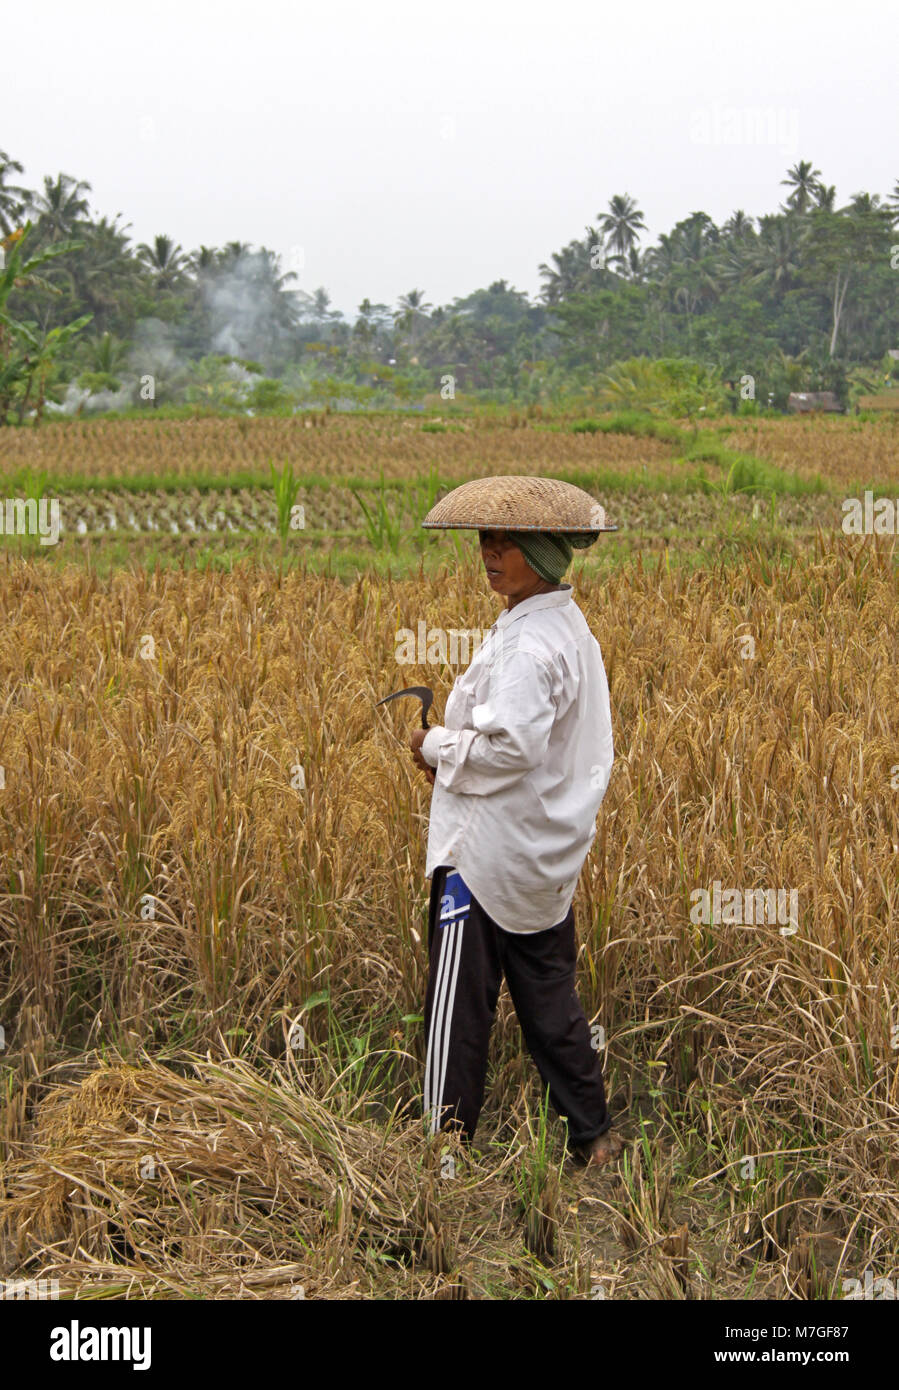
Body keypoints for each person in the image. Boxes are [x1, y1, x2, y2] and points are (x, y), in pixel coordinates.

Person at [409, 476, 623, 1169]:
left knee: (458, 1012)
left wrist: (435, 747)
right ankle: (591, 1135)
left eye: (506, 542)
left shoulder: (529, 646)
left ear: (543, 550)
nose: (489, 553)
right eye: (484, 540)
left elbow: (512, 747)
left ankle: (442, 1154)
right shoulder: (561, 624)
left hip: (483, 860)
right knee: (550, 1003)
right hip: (540, 860)